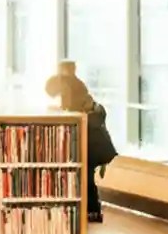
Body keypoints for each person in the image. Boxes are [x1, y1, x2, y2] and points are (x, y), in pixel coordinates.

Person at [45, 59, 118, 223]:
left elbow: (62, 101)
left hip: (90, 141)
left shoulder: (70, 84)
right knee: (86, 176)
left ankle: (92, 211)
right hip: (94, 140)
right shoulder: (78, 85)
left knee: (85, 176)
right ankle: (92, 211)